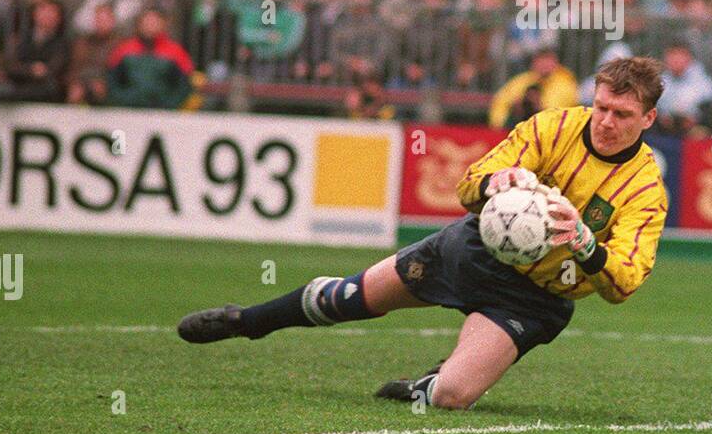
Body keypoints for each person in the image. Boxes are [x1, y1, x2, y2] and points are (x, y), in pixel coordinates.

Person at [177, 56, 670, 410]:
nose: (606, 122)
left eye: (622, 115)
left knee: (453, 396)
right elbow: (469, 184)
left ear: (648, 118)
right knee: (349, 298)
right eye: (601, 107)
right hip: (473, 251)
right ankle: (247, 320)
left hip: (533, 299)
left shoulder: (646, 190)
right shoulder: (552, 127)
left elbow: (624, 283)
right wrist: (495, 184)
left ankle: (426, 384)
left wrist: (585, 243)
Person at [106, 7, 194, 109]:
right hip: (128, 111)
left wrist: (170, 105)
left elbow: (185, 86)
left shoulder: (176, 52)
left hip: (164, 113)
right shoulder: (124, 50)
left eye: (154, 22)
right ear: (139, 24)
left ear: (163, 24)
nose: (149, 25)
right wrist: (122, 101)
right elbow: (111, 82)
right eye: (146, 21)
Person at [487, 46, 578, 127]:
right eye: (540, 61)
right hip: (520, 128)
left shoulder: (565, 84)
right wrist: (500, 125)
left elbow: (555, 115)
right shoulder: (523, 81)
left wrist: (536, 106)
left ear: (556, 63)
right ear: (533, 63)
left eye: (547, 61)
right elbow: (500, 102)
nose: (543, 65)